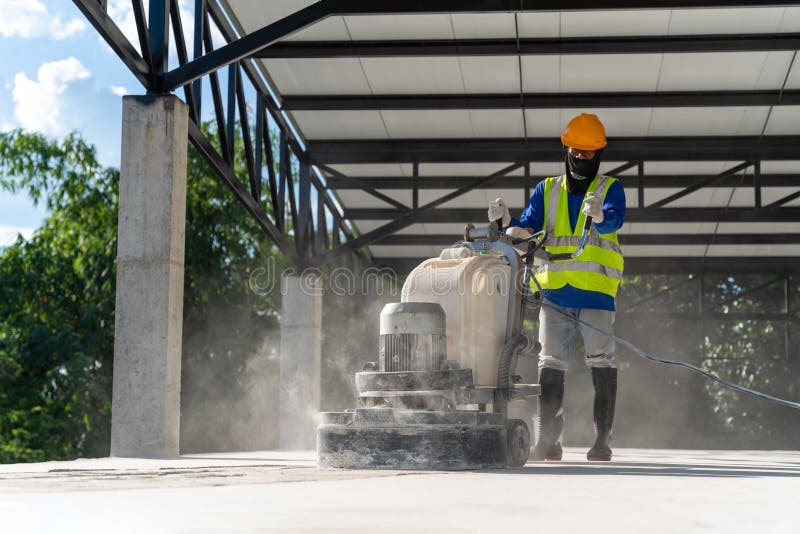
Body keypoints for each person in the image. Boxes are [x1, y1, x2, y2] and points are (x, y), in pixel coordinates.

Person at [488, 113, 625, 461]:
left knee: (602, 364)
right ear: (566, 150)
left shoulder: (610, 189)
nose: (581, 159)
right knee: (550, 366)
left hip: (595, 293)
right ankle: (547, 442)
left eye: (588, 153)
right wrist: (509, 224)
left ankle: (602, 442)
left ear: (599, 155)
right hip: (555, 295)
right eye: (576, 152)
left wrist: (601, 216)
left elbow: (614, 220)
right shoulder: (546, 189)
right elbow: (528, 229)